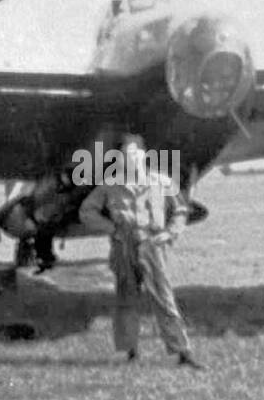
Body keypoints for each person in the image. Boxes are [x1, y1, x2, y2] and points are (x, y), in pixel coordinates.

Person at [78, 135, 203, 369]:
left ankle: (181, 351)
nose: (130, 159)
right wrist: (111, 228)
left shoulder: (162, 183)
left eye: (134, 154)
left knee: (163, 297)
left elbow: (180, 210)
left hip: (152, 243)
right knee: (126, 297)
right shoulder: (110, 185)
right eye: (125, 155)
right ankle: (127, 350)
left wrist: (170, 233)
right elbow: (87, 211)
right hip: (123, 244)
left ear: (144, 156)